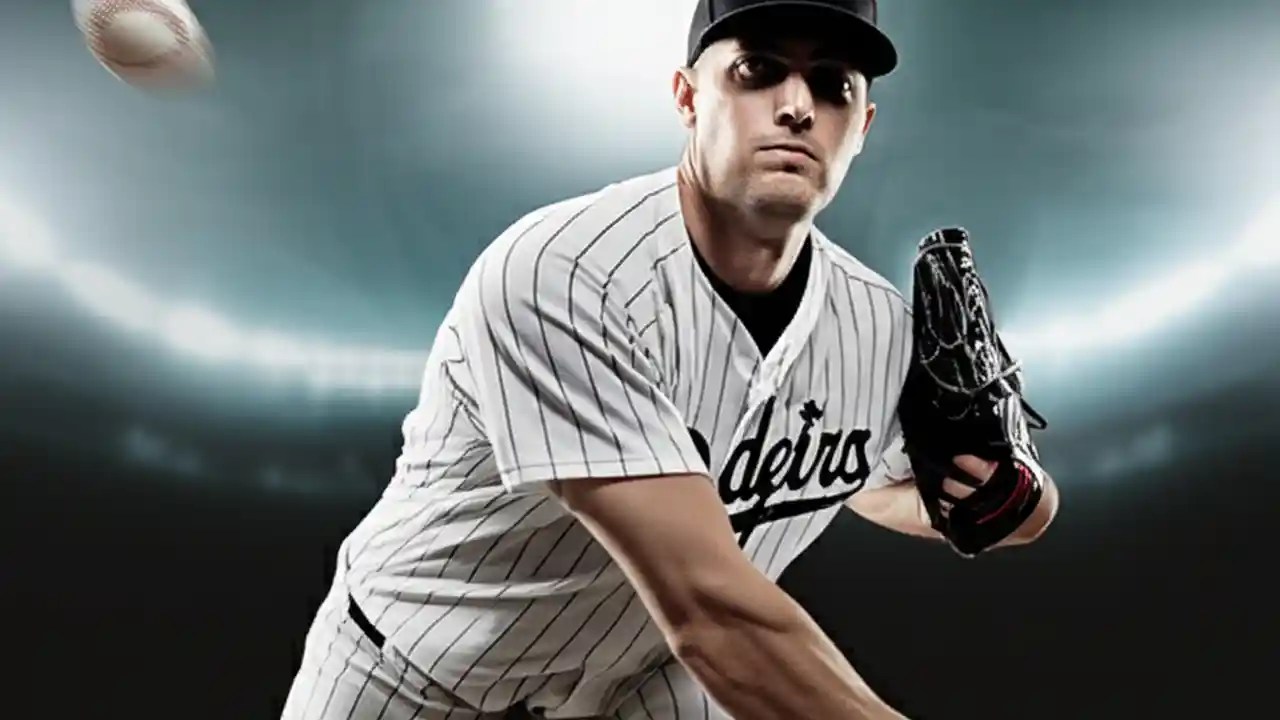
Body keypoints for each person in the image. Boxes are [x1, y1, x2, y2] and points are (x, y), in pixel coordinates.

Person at [280, 1, 1059, 718]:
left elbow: (866, 481)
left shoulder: (876, 329)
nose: (797, 106)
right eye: (758, 71)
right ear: (687, 97)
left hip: (635, 681)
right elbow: (714, 615)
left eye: (833, 85)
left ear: (862, 126)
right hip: (415, 675)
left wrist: (1004, 504)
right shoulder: (563, 275)